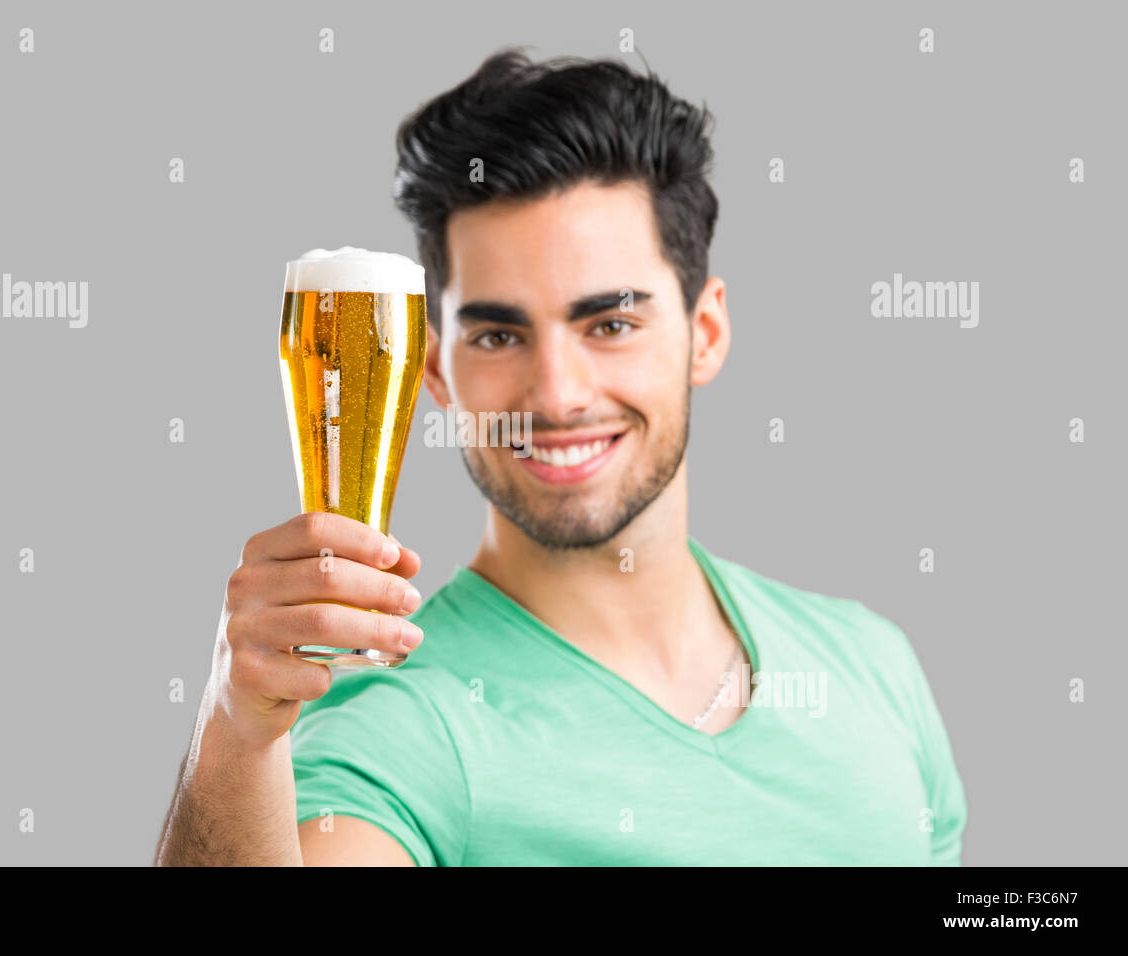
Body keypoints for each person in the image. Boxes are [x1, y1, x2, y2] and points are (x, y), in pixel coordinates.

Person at [154, 48, 967, 866]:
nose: (556, 394)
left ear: (705, 333)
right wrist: (235, 733)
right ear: (434, 368)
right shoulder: (405, 722)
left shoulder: (872, 664)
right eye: (500, 334)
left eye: (609, 323)